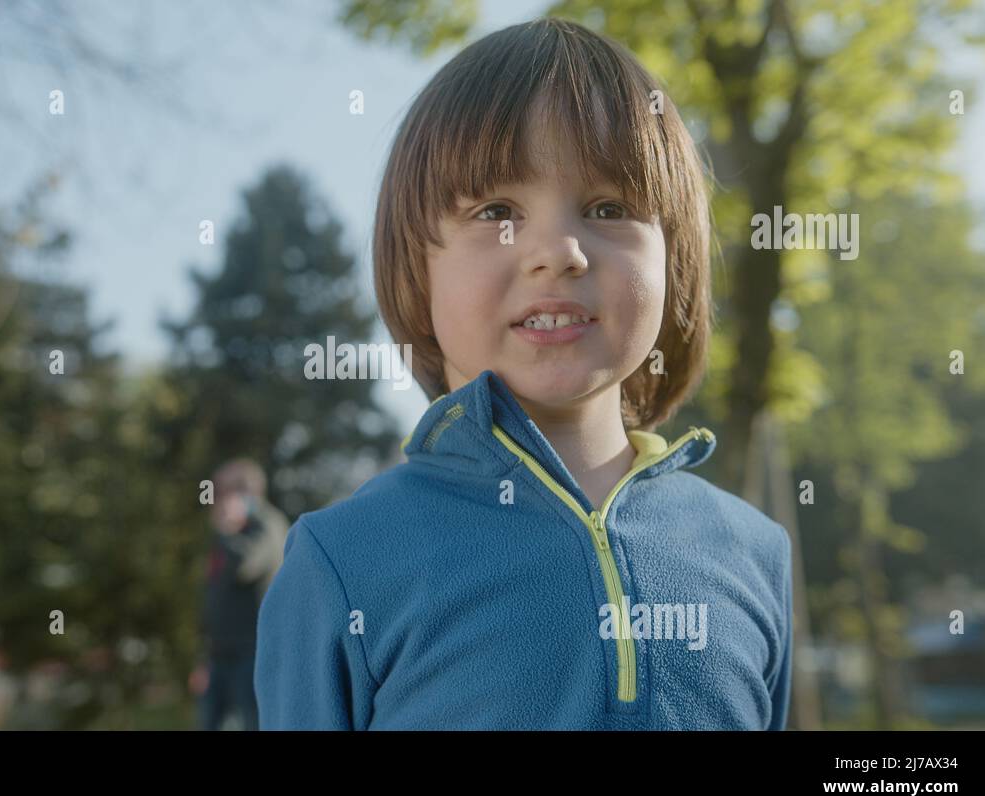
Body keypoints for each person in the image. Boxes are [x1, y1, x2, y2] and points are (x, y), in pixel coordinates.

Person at [254, 18, 793, 730]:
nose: (559, 251)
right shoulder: (340, 562)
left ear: (675, 261)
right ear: (417, 268)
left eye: (609, 208)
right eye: (497, 211)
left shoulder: (755, 550)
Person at [197, 458, 287, 730]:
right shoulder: (235, 527)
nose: (216, 498)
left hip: (252, 654)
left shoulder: (267, 524)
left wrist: (227, 528)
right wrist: (203, 658)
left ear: (243, 491)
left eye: (222, 490)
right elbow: (215, 594)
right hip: (220, 655)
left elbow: (245, 566)